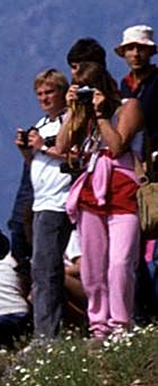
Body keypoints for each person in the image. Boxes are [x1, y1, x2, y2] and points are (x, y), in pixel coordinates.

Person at [56, 38, 145, 339]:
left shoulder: (127, 106)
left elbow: (119, 145)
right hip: (90, 193)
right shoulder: (79, 111)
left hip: (122, 191)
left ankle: (122, 324)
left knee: (120, 262)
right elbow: (62, 145)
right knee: (93, 267)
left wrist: (102, 115)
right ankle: (99, 326)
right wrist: (72, 111)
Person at [16, 68, 72, 338]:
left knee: (47, 269)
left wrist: (42, 146)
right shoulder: (41, 123)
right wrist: (27, 151)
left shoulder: (69, 121)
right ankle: (45, 330)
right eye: (40, 93)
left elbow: (72, 154)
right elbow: (38, 161)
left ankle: (47, 336)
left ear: (62, 92)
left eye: (50, 92)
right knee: (40, 268)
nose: (44, 98)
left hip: (58, 201)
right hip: (40, 202)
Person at [114, 24, 158, 324]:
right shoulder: (125, 86)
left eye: (140, 48)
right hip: (138, 166)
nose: (135, 53)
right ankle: (143, 309)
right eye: (131, 48)